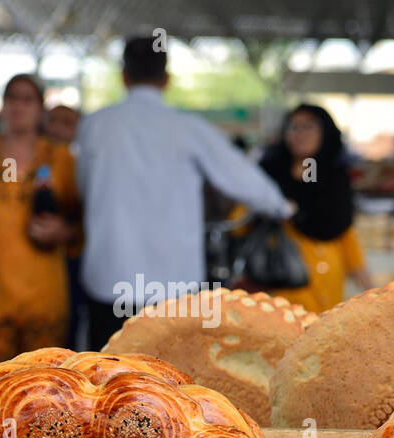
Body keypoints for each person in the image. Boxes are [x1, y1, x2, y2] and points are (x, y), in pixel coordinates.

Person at [75, 36, 293, 349]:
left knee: (104, 381)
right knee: (170, 386)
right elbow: (241, 178)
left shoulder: (95, 126)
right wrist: (282, 206)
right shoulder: (189, 128)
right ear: (167, 79)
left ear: (124, 76)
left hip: (109, 279)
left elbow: (85, 189)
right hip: (173, 287)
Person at [0, 74, 79, 370]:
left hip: (44, 297)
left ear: (40, 109)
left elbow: (81, 220)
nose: (18, 106)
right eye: (12, 98)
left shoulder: (60, 158)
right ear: (3, 106)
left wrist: (61, 231)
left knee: (42, 392)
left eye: (27, 100)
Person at [258, 104, 372, 313]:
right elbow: (241, 219)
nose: (300, 134)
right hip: (279, 280)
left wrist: (368, 288)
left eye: (309, 126)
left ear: (324, 131)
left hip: (325, 283)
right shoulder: (269, 173)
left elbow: (343, 229)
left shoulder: (333, 178)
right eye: (294, 127)